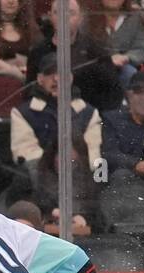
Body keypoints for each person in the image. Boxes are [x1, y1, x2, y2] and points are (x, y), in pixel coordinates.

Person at [10, 53, 103, 185]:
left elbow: (94, 152)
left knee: (101, 171)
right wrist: (55, 164)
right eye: (50, 74)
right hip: (41, 178)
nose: (56, 79)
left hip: (80, 177)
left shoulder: (88, 112)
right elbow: (25, 153)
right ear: (40, 79)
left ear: (70, 78)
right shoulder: (23, 113)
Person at [86, 0, 144, 90]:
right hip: (95, 70)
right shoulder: (89, 18)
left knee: (129, 72)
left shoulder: (135, 18)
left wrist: (126, 57)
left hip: (124, 70)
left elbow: (142, 48)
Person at [0, 0, 40, 80]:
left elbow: (40, 58)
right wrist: (15, 72)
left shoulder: (31, 29)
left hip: (29, 80)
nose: (11, 1)